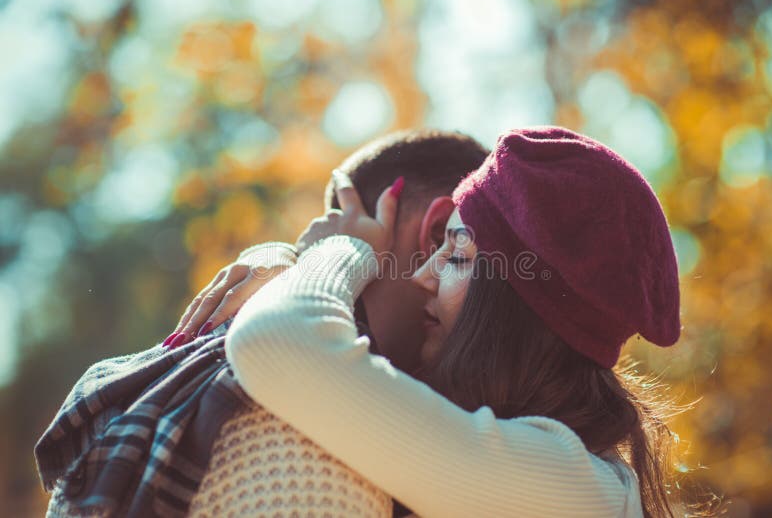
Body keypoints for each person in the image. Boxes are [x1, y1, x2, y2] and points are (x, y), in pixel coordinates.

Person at [224, 126, 685, 517]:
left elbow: (274, 344)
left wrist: (338, 250)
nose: (425, 276)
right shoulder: (564, 468)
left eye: (458, 255)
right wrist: (278, 257)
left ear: (521, 307)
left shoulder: (572, 487)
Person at [36, 130, 489, 517]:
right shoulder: (315, 448)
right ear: (436, 235)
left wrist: (296, 256)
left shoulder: (197, 388)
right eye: (466, 257)